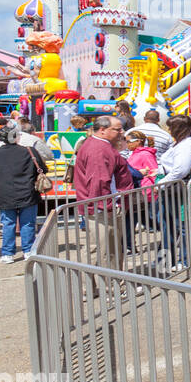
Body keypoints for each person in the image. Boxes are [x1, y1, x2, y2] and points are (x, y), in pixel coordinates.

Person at [71, 115, 133, 277]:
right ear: (103, 130)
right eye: (117, 129)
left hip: (99, 206)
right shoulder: (99, 149)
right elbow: (98, 181)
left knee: (96, 248)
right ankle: (111, 287)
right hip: (104, 208)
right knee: (108, 250)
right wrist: (105, 207)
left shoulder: (96, 145)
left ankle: (90, 287)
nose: (121, 133)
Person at [0, 122, 46, 263]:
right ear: (15, 137)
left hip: (5, 193)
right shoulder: (30, 151)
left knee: (8, 223)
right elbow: (42, 169)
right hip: (28, 192)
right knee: (28, 223)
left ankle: (7, 254)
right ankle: (28, 251)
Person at [156, 115, 191, 270]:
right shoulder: (181, 143)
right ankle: (165, 260)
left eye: (170, 127)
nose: (169, 130)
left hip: (179, 188)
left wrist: (162, 183)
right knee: (169, 225)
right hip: (172, 187)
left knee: (184, 225)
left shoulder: (188, 145)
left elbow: (180, 170)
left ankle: (187, 259)